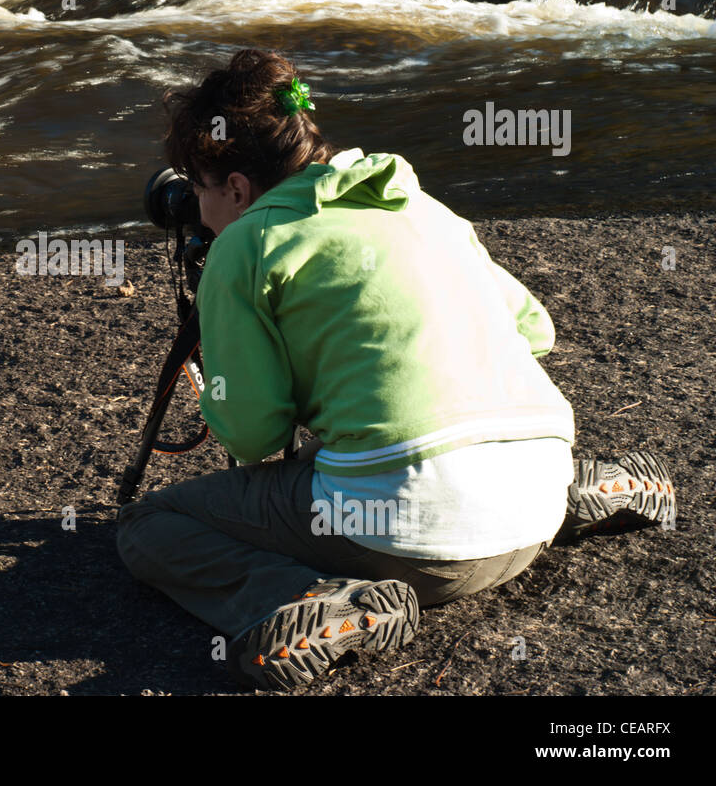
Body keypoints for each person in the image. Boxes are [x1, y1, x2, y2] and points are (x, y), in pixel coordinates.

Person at [116, 48, 676, 691]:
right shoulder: (423, 207)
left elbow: (254, 438)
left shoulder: (247, 242)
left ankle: (307, 601)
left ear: (237, 188)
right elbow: (536, 329)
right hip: (535, 505)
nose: (199, 210)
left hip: (411, 545)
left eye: (201, 192)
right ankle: (581, 493)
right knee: (441, 455)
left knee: (148, 527)